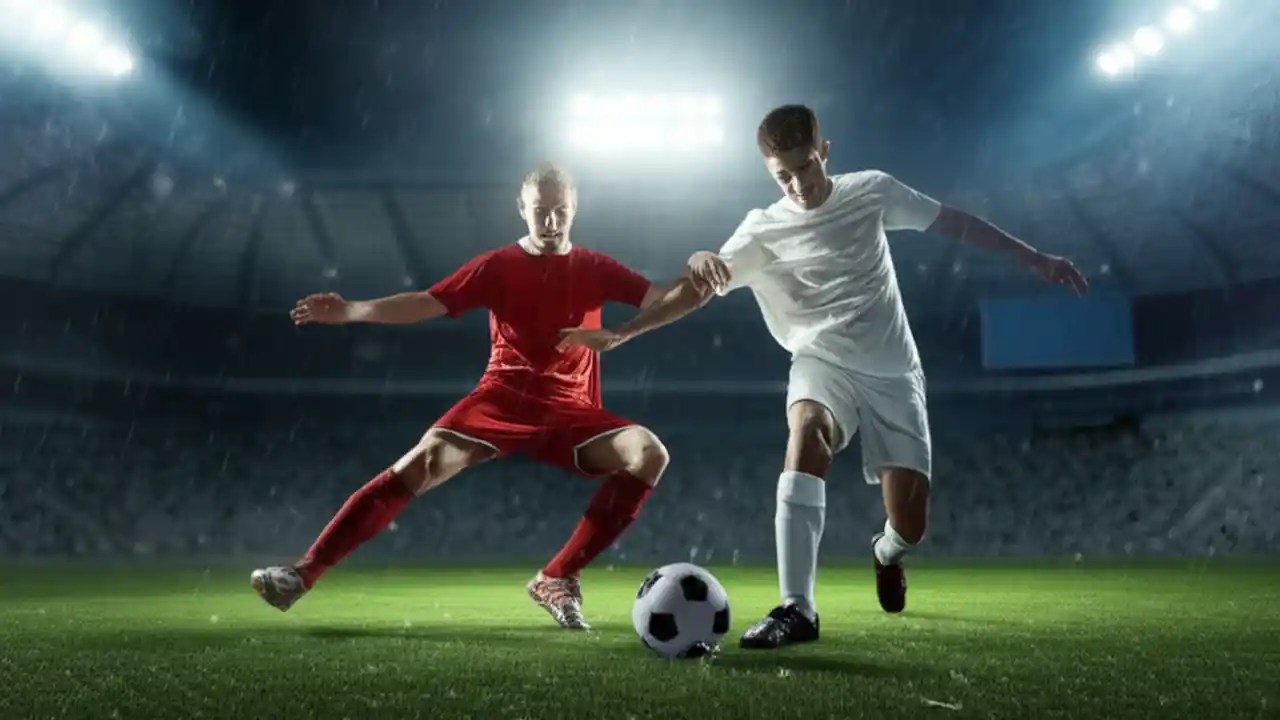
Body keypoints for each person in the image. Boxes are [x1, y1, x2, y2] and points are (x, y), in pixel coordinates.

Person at [559, 104, 1089, 648]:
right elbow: (697, 288)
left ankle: (886, 553)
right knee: (806, 428)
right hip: (820, 362)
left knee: (910, 524)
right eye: (782, 176)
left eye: (806, 167)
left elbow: (954, 221)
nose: (798, 184)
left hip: (893, 373)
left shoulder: (871, 192)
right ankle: (797, 609)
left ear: (825, 152)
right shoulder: (762, 231)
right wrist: (627, 332)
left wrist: (1035, 259)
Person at [252, 164, 675, 631]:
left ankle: (557, 577)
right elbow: (425, 302)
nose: (551, 223)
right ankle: (302, 575)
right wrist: (352, 309)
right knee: (420, 463)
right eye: (540, 212)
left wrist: (702, 270)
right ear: (521, 210)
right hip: (502, 396)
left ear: (576, 208)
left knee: (649, 453)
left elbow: (663, 297)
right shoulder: (497, 266)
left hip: (571, 408)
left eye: (561, 212)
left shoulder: (597, 267)